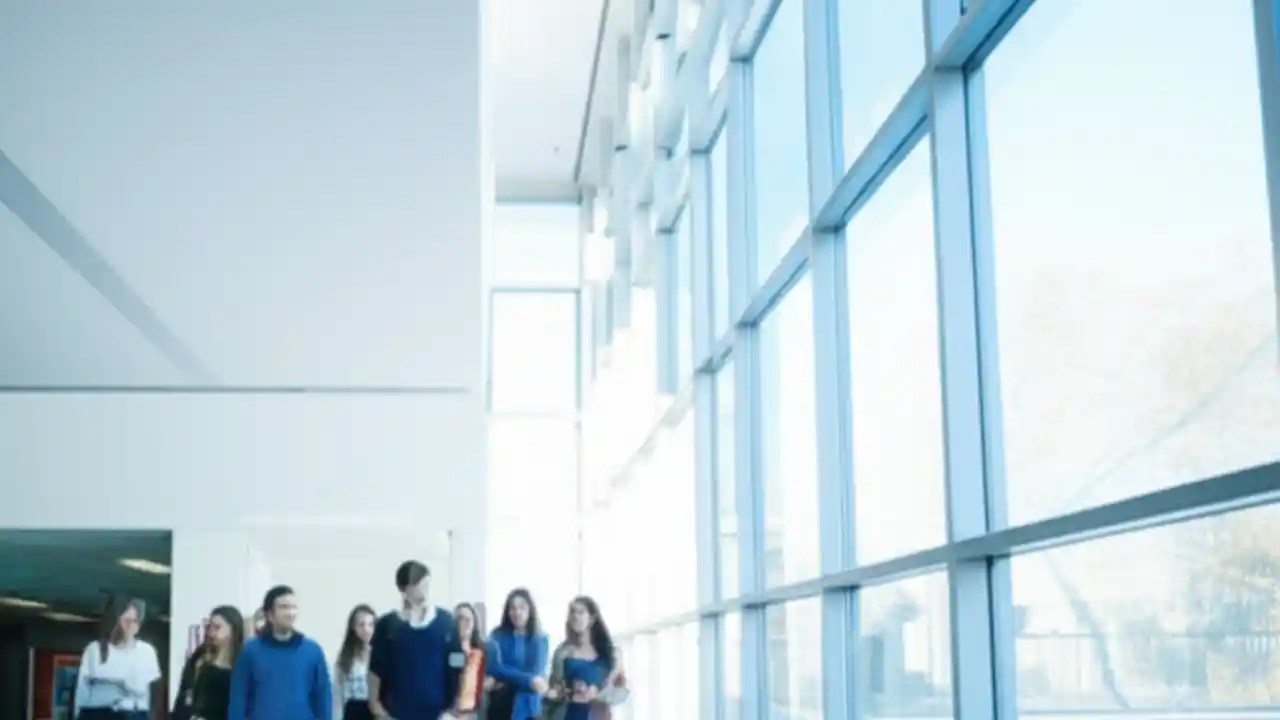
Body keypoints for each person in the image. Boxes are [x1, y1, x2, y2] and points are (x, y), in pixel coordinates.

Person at [367, 560, 462, 720]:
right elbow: (375, 669)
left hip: (438, 714)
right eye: (419, 585)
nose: (425, 591)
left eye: (427, 584)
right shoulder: (388, 625)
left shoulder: (447, 623)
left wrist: (454, 709)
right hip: (396, 713)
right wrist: (377, 708)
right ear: (405, 589)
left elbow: (458, 664)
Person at [228, 585, 332, 720]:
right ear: (270, 614)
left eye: (294, 607)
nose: (290, 613)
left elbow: (322, 697)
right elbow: (239, 697)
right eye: (284, 607)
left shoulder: (312, 651)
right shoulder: (250, 651)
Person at [73, 596, 163, 720]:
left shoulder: (146, 652)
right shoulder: (94, 650)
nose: (130, 626)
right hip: (98, 713)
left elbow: (154, 691)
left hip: (134, 712)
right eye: (126, 621)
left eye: (135, 621)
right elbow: (82, 690)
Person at [544, 597, 625, 720]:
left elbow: (619, 689)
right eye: (572, 612)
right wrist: (570, 691)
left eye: (580, 612)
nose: (575, 617)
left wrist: (597, 692)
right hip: (571, 714)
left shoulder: (610, 653)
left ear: (591, 618)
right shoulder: (563, 653)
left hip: (599, 714)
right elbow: (555, 690)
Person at [484, 589, 548, 720]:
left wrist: (505, 677)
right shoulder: (497, 635)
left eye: (522, 608)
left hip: (529, 708)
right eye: (512, 608)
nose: (517, 613)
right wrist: (528, 680)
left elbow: (536, 673)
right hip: (501, 703)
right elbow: (495, 668)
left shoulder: (540, 639)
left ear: (530, 610)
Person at [191, 605, 244, 720]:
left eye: (217, 627)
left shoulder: (244, 661)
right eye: (210, 627)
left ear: (232, 629)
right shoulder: (202, 656)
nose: (211, 633)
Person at [333, 604, 377, 720]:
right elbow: (338, 694)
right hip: (353, 709)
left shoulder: (380, 654)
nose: (366, 629)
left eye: (370, 625)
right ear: (353, 627)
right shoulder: (345, 657)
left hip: (375, 709)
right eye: (361, 624)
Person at [173, 619, 215, 720]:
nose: (210, 633)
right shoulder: (196, 657)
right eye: (208, 628)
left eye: (215, 628)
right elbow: (183, 691)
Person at [452, 603, 486, 718]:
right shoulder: (447, 649)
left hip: (471, 712)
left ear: (474, 624)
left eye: (467, 619)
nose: (463, 623)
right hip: (449, 712)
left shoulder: (481, 652)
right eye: (459, 618)